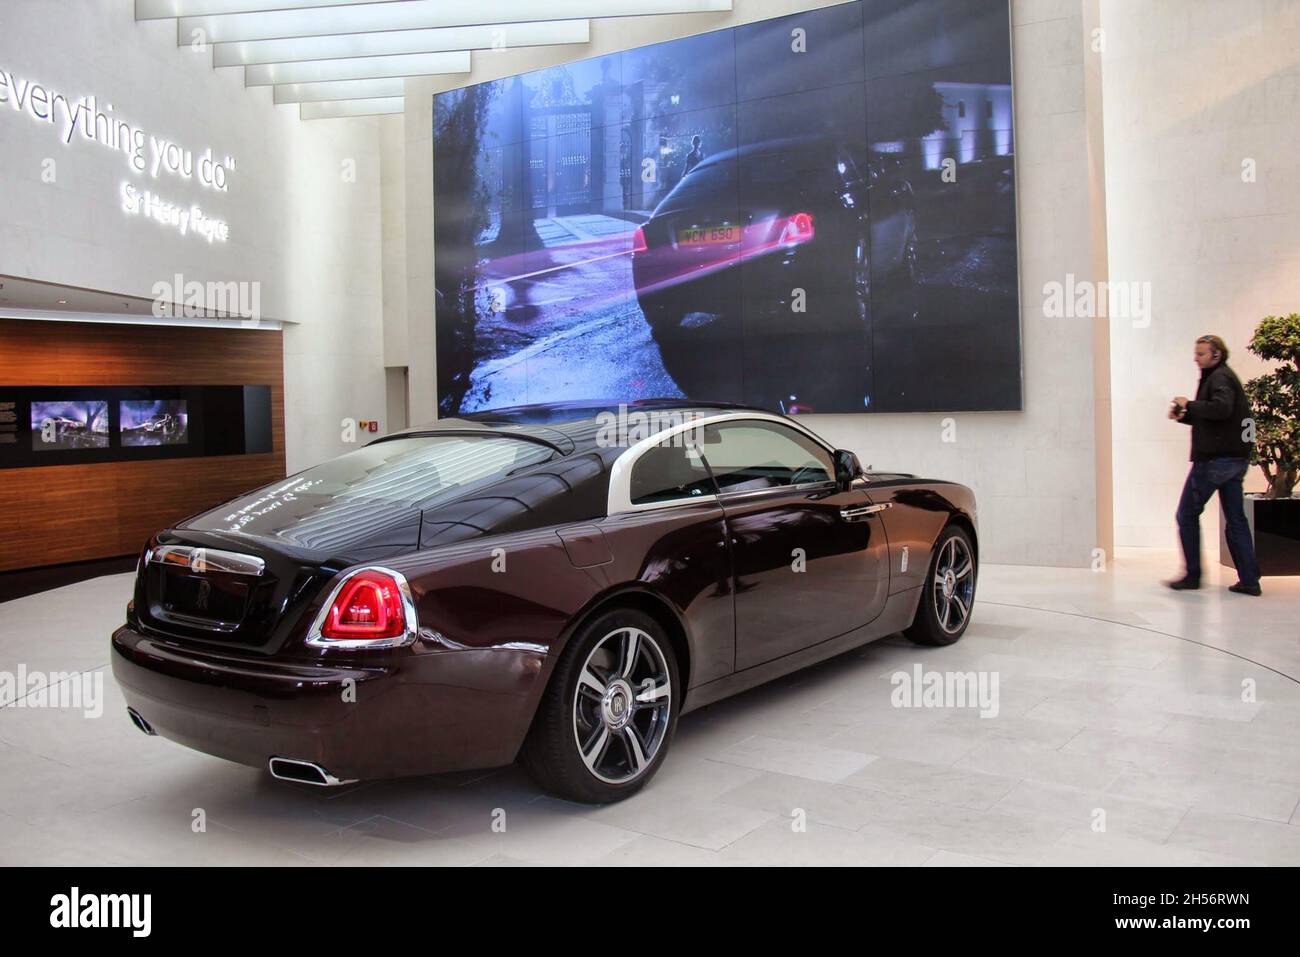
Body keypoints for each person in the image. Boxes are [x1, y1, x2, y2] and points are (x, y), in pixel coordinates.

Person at [1167, 334, 1262, 595]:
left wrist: (1190, 405)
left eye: (1201, 354)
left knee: (1186, 514)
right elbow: (1215, 418)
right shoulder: (1220, 376)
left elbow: (1221, 409)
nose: (1195, 358)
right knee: (1236, 520)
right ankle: (1250, 580)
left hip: (1214, 462)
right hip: (1233, 460)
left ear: (1216, 354)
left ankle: (1192, 575)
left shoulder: (1219, 377)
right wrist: (1185, 416)